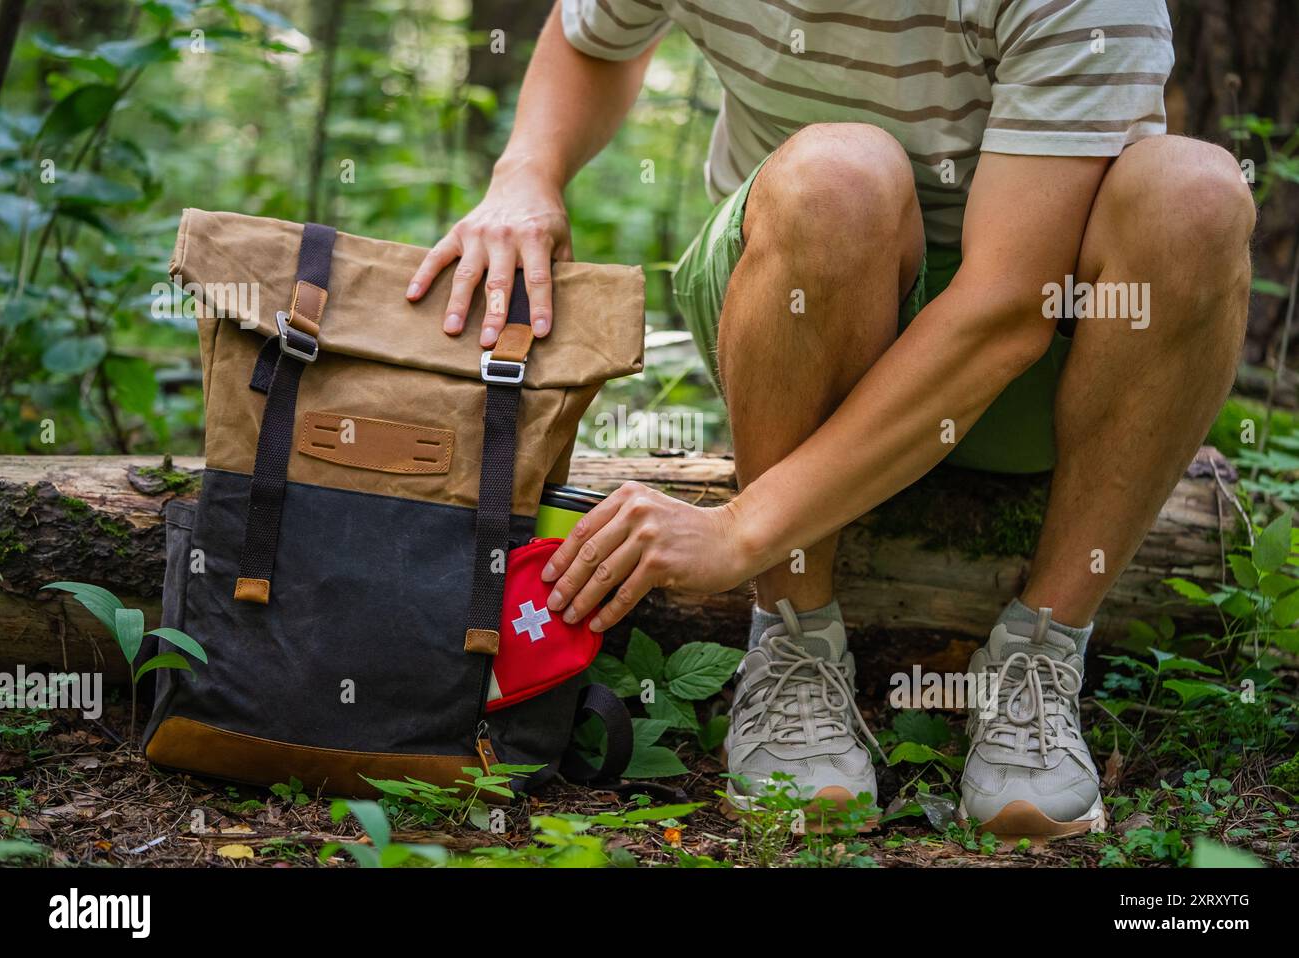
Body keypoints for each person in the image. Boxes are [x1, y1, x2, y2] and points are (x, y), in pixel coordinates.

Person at [406, 0, 1255, 836]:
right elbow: (591, 36)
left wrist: (738, 530)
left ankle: (1043, 649)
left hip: (1039, 367)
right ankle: (796, 640)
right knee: (839, 175)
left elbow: (1007, 310)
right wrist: (527, 172)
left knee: (1196, 197)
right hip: (804, 317)